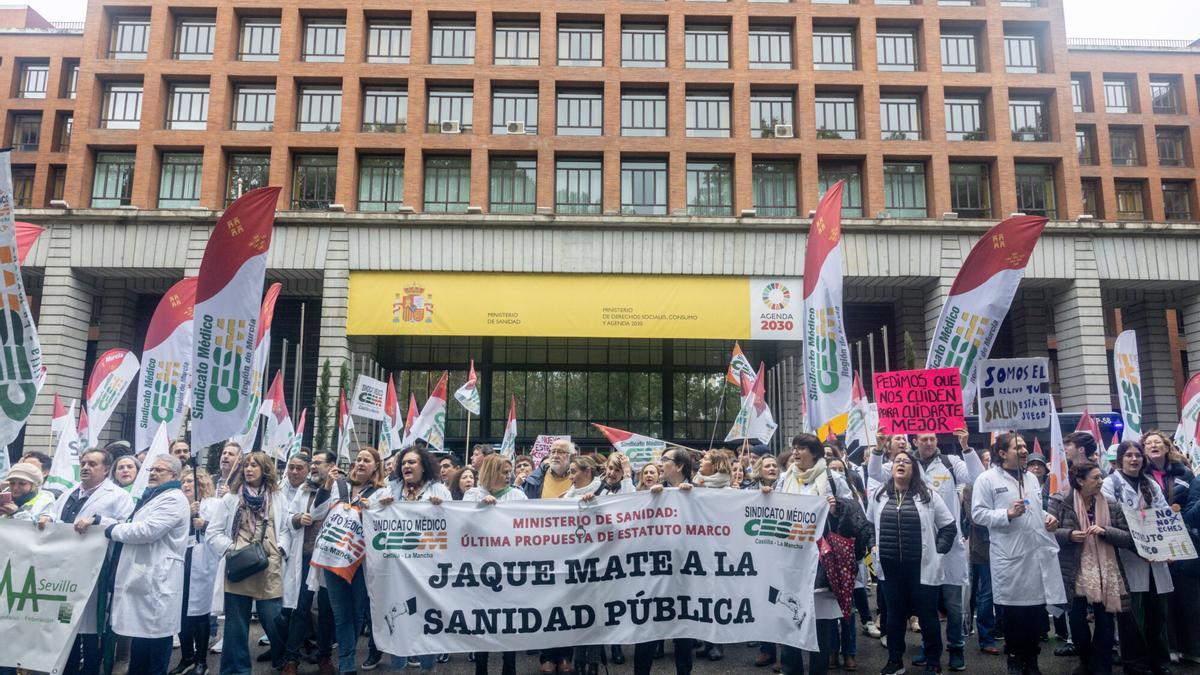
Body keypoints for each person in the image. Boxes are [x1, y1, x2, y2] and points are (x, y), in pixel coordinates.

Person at [869, 430, 981, 672]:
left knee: (938, 612)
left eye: (905, 462)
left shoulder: (933, 487)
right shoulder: (880, 495)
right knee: (895, 616)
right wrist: (873, 547)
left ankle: (943, 656)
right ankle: (895, 661)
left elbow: (949, 525)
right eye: (897, 461)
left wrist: (938, 553)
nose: (900, 464)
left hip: (927, 565)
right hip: (891, 568)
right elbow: (870, 524)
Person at [971, 433, 1065, 675]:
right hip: (1009, 557)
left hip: (1035, 555)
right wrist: (1006, 514)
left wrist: (1048, 518)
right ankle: (1014, 659)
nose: (1024, 451)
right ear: (1002, 453)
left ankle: (1031, 660)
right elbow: (978, 514)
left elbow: (1035, 509)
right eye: (1018, 447)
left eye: (1024, 446)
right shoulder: (987, 479)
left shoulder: (1032, 478)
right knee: (1014, 615)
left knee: (1034, 613)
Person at [36, 449, 134, 675]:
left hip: (95, 574)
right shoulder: (70, 492)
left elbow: (125, 527)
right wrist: (47, 518)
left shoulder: (119, 496)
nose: (86, 467)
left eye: (92, 463)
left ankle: (90, 670)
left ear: (106, 469)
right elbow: (53, 514)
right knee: (65, 626)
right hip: (65, 574)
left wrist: (99, 521)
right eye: (83, 463)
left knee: (91, 631)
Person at [104, 455, 191, 675]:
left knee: (157, 637)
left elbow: (147, 531)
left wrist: (111, 529)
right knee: (141, 634)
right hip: (146, 577)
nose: (152, 473)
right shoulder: (154, 496)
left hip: (158, 577)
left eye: (159, 470)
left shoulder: (173, 499)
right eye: (151, 469)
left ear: (173, 475)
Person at [207, 451, 291, 675]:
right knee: (236, 625)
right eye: (246, 465)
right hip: (240, 566)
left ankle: (283, 659)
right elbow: (213, 533)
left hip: (269, 564)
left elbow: (284, 529)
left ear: (265, 470)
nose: (249, 469)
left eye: (254, 465)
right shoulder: (231, 498)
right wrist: (233, 550)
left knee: (274, 618)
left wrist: (281, 548)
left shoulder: (277, 497)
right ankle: (236, 670)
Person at [1046, 460, 1132, 675]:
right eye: (1095, 478)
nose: (1101, 481)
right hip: (1073, 568)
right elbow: (1047, 533)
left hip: (1106, 568)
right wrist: (1069, 535)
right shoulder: (1060, 501)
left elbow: (1128, 537)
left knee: (1105, 620)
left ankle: (1102, 665)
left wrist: (1105, 531)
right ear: (1080, 481)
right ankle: (1085, 659)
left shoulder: (1111, 503)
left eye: (1101, 477)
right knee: (1076, 619)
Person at [1102, 440, 1173, 675]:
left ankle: (1159, 661)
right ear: (1120, 459)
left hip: (1156, 559)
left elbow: (1165, 519)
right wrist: (1139, 547)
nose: (1134, 459)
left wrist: (1169, 549)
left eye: (1138, 455)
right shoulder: (1109, 484)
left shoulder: (1151, 485)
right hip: (1128, 558)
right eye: (1129, 455)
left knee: (1157, 614)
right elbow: (1108, 523)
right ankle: (1135, 664)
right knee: (1132, 617)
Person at [377, 446, 448, 673]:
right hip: (397, 570)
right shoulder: (392, 489)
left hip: (428, 570)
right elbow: (369, 513)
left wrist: (443, 508)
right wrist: (380, 506)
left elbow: (452, 523)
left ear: (424, 466)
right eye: (404, 462)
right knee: (399, 620)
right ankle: (399, 667)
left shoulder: (438, 489)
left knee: (426, 620)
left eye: (412, 462)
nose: (406, 466)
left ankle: (428, 668)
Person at [633, 448, 696, 675]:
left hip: (685, 575)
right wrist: (652, 499)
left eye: (665, 460)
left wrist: (692, 497)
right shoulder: (655, 493)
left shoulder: (698, 493)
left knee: (684, 630)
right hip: (655, 572)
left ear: (679, 466)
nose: (660, 464)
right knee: (648, 626)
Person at [324, 448, 386, 675]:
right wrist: (326, 486)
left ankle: (348, 657)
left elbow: (382, 524)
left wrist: (371, 510)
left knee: (357, 612)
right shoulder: (338, 487)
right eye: (358, 459)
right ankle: (347, 664)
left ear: (375, 466)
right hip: (333, 560)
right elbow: (320, 513)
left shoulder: (381, 493)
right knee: (341, 614)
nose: (360, 463)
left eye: (366, 460)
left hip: (361, 562)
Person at [516, 439, 575, 673]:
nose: (556, 455)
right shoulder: (534, 480)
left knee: (569, 604)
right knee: (545, 603)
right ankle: (546, 657)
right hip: (541, 548)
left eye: (561, 452)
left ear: (571, 456)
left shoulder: (578, 478)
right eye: (553, 451)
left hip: (572, 548)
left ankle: (565, 656)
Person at [463, 454, 524, 675]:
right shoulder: (472, 495)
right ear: (491, 472)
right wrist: (479, 507)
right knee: (483, 620)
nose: (509, 476)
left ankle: (510, 667)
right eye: (504, 472)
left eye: (510, 472)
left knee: (510, 619)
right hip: (481, 568)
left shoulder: (517, 495)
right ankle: (481, 667)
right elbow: (461, 524)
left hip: (509, 568)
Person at [281, 450, 338, 675]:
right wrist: (297, 518)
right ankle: (291, 659)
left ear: (331, 465)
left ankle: (324, 657)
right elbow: (288, 517)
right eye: (312, 463)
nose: (313, 466)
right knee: (300, 608)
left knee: (326, 610)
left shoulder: (340, 488)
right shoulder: (304, 490)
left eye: (318, 463)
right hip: (305, 557)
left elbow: (327, 512)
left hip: (329, 558)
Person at [174, 469, 221, 675]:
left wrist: (204, 524)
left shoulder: (214, 505)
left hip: (203, 564)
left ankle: (201, 661)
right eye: (183, 481)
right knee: (181, 613)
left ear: (201, 483)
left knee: (200, 614)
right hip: (181, 563)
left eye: (190, 481)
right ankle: (187, 658)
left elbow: (223, 531)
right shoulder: (178, 506)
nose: (185, 485)